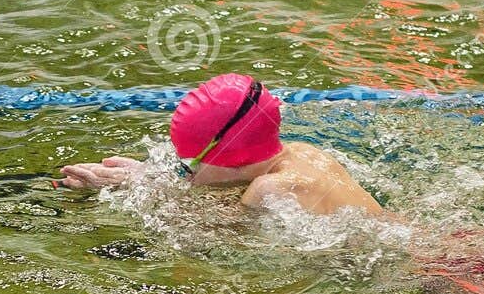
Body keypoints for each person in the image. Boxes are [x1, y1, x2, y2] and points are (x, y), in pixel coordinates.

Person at [55, 73, 388, 218]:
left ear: (228, 156)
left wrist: (136, 192)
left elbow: (212, 237)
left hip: (410, 266)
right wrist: (146, 176)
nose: (188, 173)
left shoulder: (268, 189)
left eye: (188, 164)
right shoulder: (304, 152)